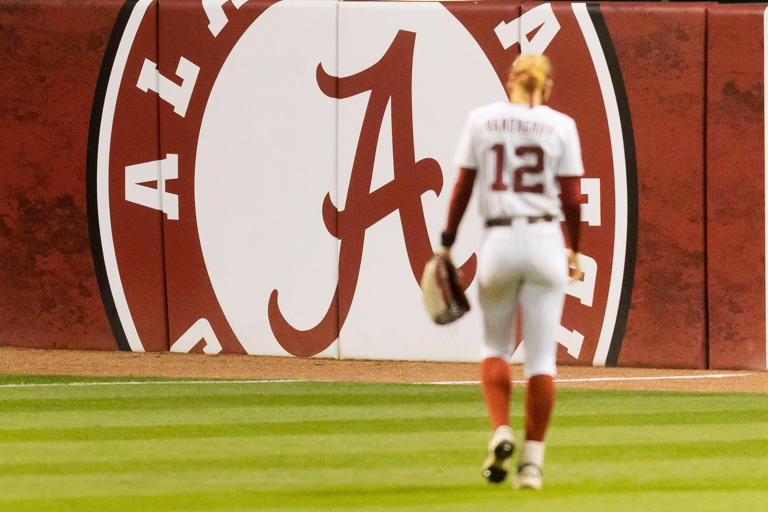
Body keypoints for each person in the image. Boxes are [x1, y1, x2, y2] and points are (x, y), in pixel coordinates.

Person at [440, 54, 584, 490]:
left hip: (499, 242)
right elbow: (573, 198)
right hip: (544, 242)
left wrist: (446, 243)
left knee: (495, 347)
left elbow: (463, 185)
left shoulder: (482, 120)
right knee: (541, 359)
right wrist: (575, 248)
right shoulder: (561, 125)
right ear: (549, 85)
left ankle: (501, 429)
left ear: (510, 82)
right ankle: (532, 465)